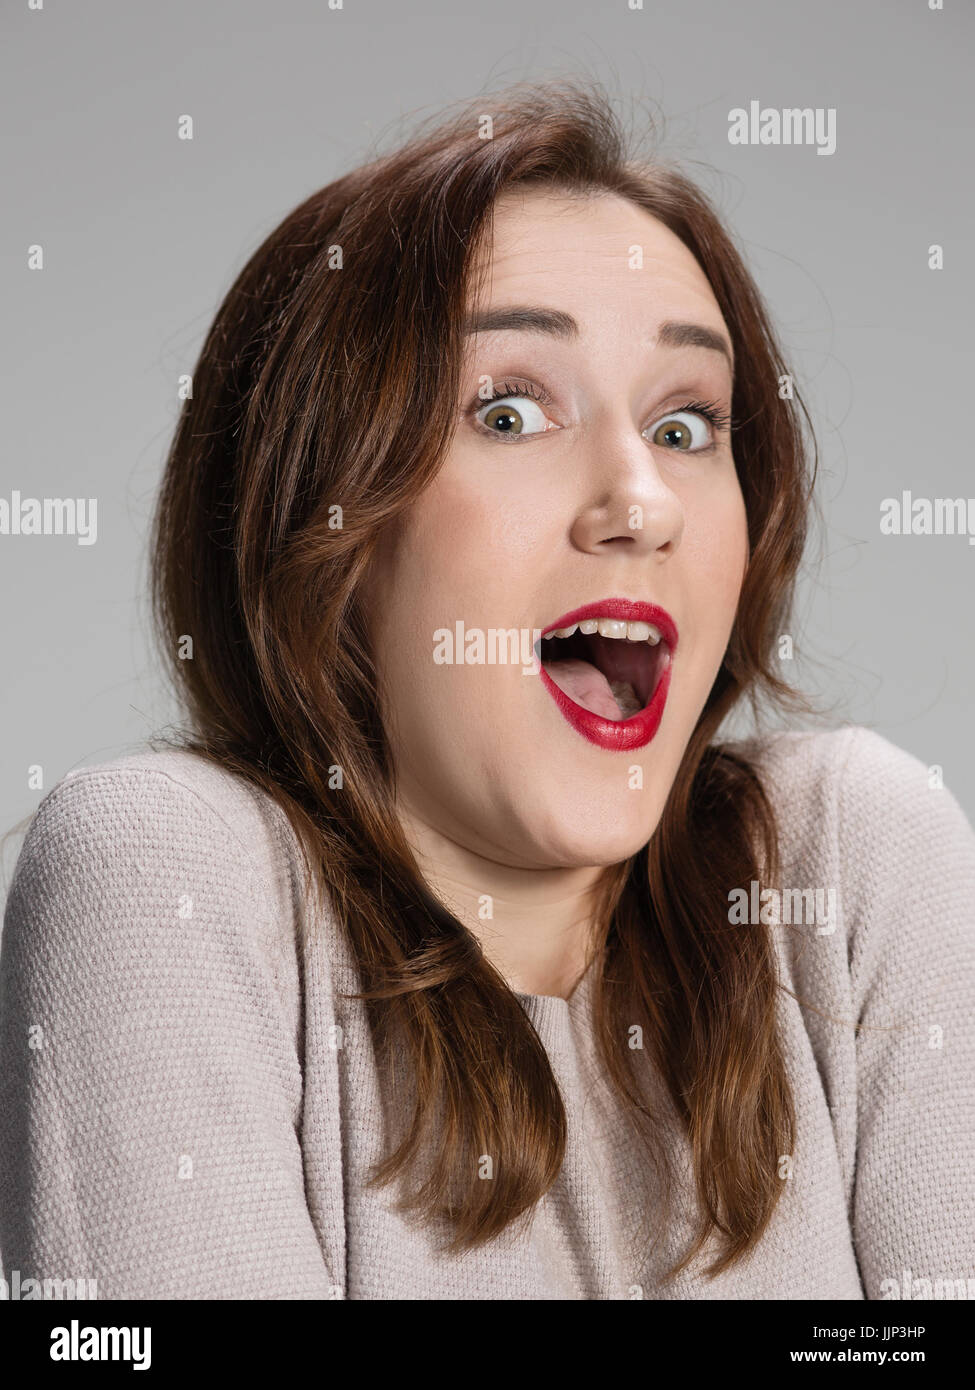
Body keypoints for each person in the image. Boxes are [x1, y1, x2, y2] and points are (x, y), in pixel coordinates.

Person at [2, 80, 973, 1300]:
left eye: (686, 427)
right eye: (510, 411)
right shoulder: (166, 874)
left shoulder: (847, 861)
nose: (641, 500)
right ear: (329, 526)